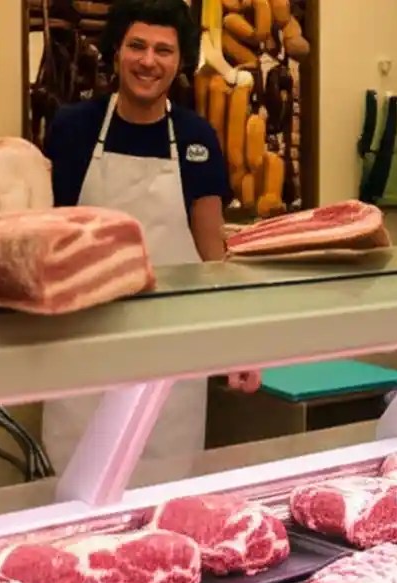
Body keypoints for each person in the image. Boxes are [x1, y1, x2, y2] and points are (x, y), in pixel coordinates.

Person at [40, 0, 258, 481]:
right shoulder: (72, 129)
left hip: (170, 357)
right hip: (82, 348)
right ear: (116, 51)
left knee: (163, 502)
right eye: (137, 46)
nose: (148, 61)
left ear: (180, 62)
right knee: (77, 496)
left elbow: (213, 255)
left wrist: (240, 344)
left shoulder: (197, 136)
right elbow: (46, 240)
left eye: (164, 50)